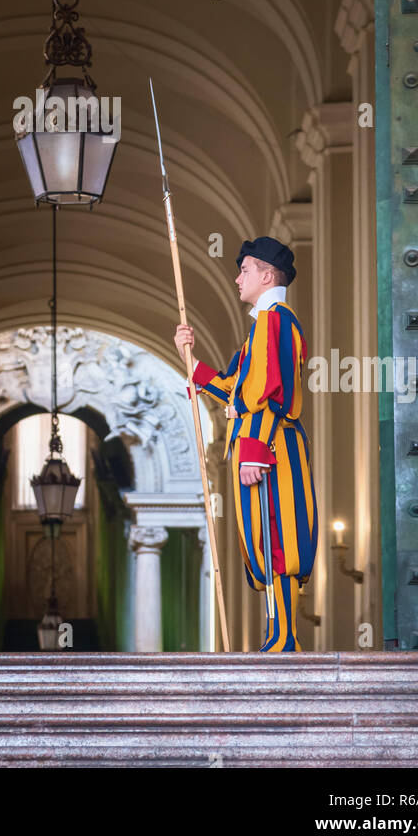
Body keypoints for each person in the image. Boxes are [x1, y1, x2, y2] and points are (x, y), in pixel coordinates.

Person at [174, 236, 318, 652]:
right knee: (262, 538)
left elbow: (272, 394)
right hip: (263, 447)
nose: (237, 278)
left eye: (245, 270)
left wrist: (253, 451)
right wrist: (189, 357)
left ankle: (286, 637)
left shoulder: (275, 321)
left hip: (271, 448)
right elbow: (234, 390)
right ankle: (277, 633)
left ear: (267, 275)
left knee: (279, 538)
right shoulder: (261, 326)